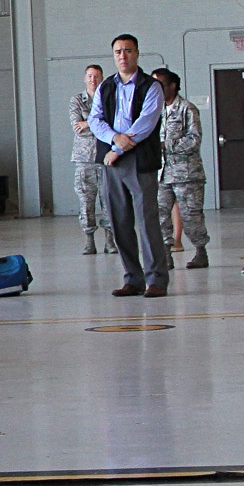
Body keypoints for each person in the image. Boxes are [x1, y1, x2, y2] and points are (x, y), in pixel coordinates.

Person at [91, 35, 169, 298]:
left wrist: (118, 149)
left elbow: (146, 123)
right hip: (112, 163)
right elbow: (95, 119)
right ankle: (133, 278)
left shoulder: (151, 87)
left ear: (137, 53)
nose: (122, 56)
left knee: (147, 222)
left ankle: (156, 279)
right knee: (119, 222)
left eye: (127, 51)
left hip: (138, 161)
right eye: (118, 52)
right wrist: (114, 139)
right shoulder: (105, 87)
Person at [154, 68, 210, 270]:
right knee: (159, 214)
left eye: (159, 85)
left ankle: (200, 251)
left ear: (172, 86)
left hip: (187, 174)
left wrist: (166, 145)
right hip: (161, 174)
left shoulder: (187, 109)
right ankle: (165, 253)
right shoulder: (155, 110)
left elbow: (194, 140)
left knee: (191, 215)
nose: (156, 90)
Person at [67, 63, 112, 258]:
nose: (93, 79)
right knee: (86, 202)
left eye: (97, 76)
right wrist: (98, 124)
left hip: (106, 158)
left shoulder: (109, 99)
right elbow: (77, 126)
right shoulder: (77, 100)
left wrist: (89, 123)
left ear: (102, 78)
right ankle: (89, 241)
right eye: (90, 76)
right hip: (84, 159)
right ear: (85, 78)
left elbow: (114, 123)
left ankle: (110, 241)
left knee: (108, 202)